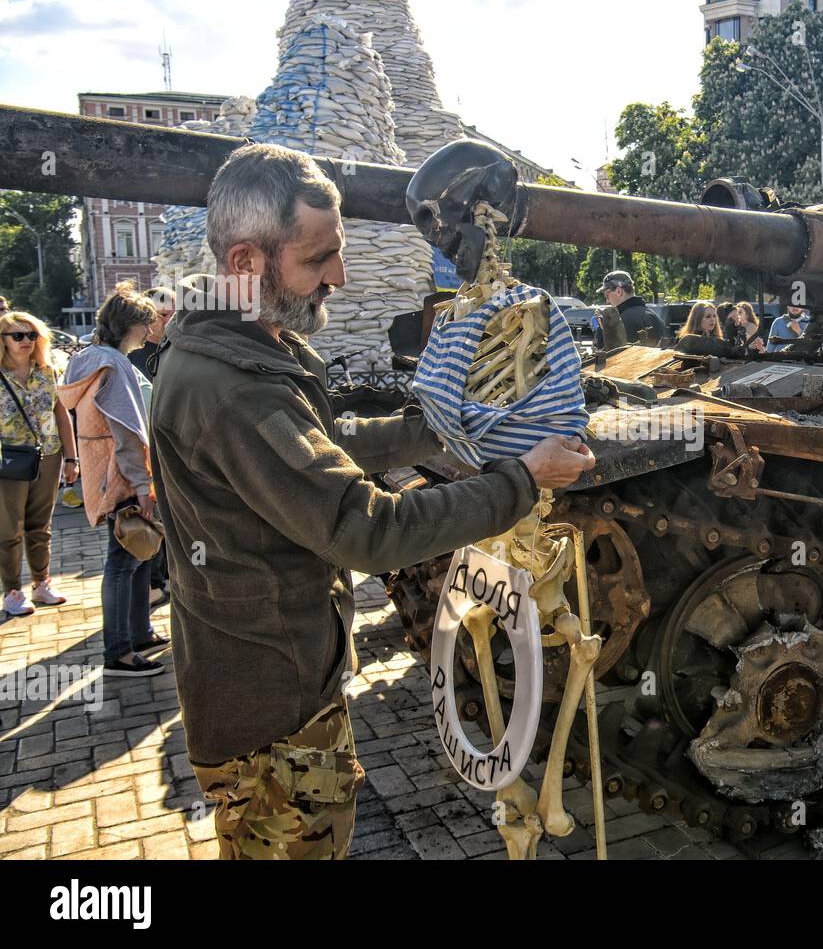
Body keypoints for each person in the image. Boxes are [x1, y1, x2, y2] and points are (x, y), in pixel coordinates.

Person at [149, 143, 594, 860]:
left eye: (339, 251)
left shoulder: (237, 345)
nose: (339, 277)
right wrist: (523, 480)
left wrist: (433, 428)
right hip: (272, 720)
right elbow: (368, 529)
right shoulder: (232, 387)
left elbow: (322, 443)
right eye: (316, 259)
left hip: (275, 686)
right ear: (244, 264)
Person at [59, 284, 168, 676]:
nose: (149, 332)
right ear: (131, 325)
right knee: (123, 561)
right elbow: (127, 432)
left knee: (138, 555)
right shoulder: (115, 366)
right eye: (146, 324)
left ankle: (138, 634)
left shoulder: (89, 358)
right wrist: (142, 485)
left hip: (101, 470)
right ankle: (119, 652)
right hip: (120, 475)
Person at [0, 309, 77, 617]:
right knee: (9, 528)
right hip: (8, 459)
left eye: (32, 335)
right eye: (18, 335)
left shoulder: (48, 370)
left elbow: (61, 415)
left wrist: (72, 457)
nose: (26, 341)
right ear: (3, 340)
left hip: (48, 453)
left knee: (40, 525)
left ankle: (41, 583)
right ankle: (12, 590)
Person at [128, 287, 174, 608]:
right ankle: (154, 583)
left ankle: (172, 575)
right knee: (154, 519)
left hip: (178, 446)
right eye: (162, 314)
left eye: (174, 312)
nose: (169, 319)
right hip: (148, 450)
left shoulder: (181, 349)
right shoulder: (133, 357)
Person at [597, 271, 664, 348]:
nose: (607, 301)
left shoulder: (617, 323)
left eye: (607, 295)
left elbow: (606, 356)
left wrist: (603, 331)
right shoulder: (655, 317)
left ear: (619, 291)